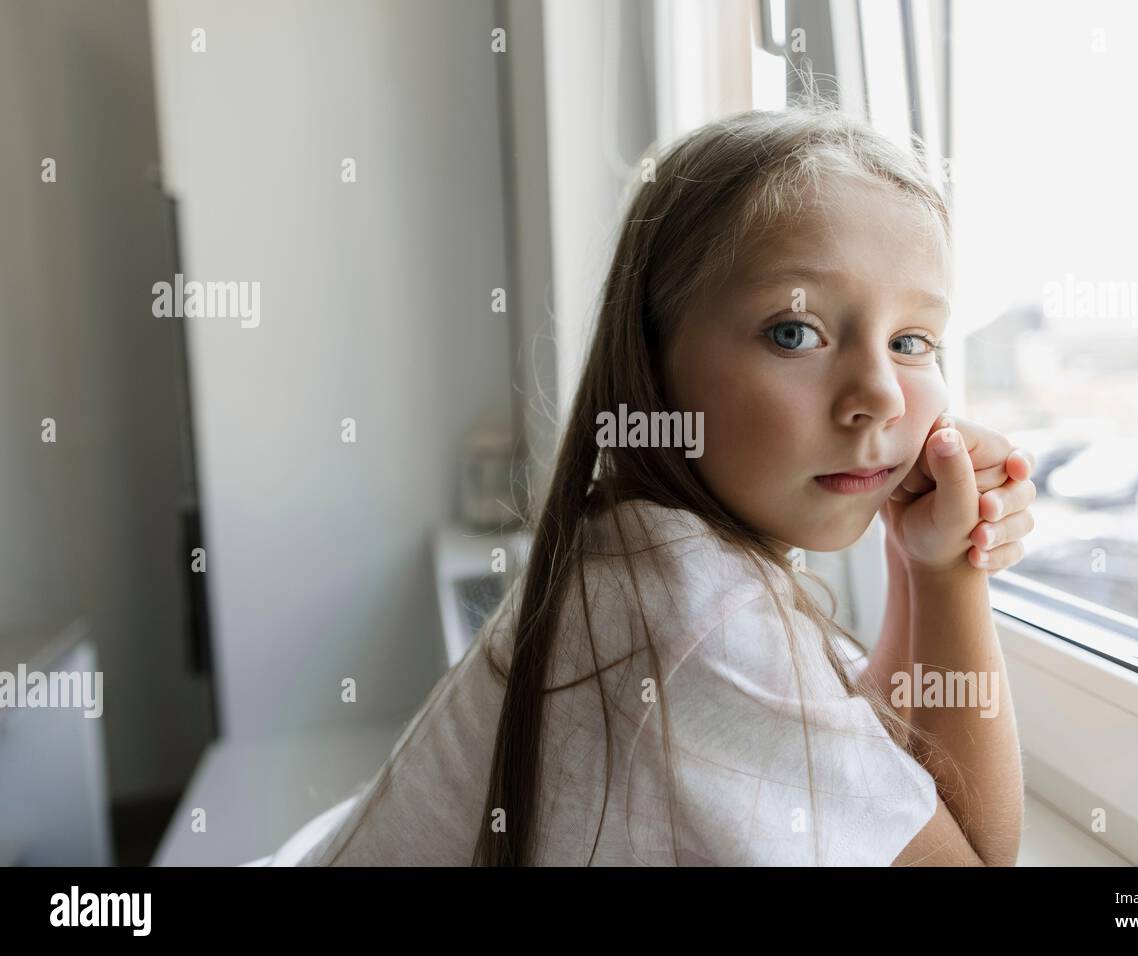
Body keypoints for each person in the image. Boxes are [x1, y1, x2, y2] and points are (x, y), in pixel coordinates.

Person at [295, 99, 1036, 867]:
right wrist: (952, 576)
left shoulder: (641, 548)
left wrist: (917, 562)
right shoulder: (695, 616)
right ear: (654, 365)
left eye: (912, 341)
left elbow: (865, 769)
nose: (880, 394)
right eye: (795, 333)